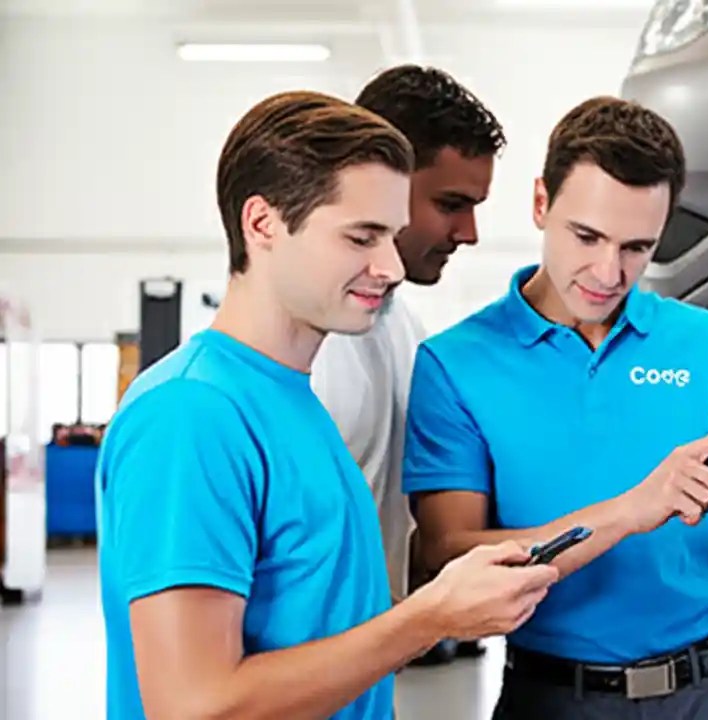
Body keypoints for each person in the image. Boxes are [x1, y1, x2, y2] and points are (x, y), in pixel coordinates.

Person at [94, 89, 558, 720]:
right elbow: (195, 705)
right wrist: (430, 618)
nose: (391, 266)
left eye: (392, 237)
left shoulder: (296, 403)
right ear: (262, 224)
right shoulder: (190, 415)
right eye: (361, 237)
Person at [401, 96, 708, 719]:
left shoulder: (707, 343)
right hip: (555, 699)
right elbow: (448, 556)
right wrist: (628, 512)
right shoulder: (455, 364)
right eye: (586, 236)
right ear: (541, 203)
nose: (608, 271)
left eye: (636, 247)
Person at [310, 64, 504, 664]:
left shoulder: (400, 327)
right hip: (306, 676)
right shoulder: (308, 351)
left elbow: (395, 531)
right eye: (450, 204)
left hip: (364, 671)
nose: (468, 232)